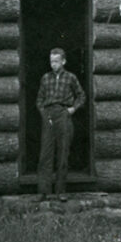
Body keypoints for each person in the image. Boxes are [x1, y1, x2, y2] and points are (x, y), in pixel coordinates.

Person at [36, 47, 85, 202]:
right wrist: (44, 114)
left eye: (56, 61)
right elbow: (39, 100)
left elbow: (81, 95)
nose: (53, 64)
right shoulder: (45, 78)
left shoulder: (70, 77)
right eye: (51, 61)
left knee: (63, 153)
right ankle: (43, 191)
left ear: (63, 61)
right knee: (46, 153)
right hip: (49, 115)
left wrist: (72, 109)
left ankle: (61, 191)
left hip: (63, 114)